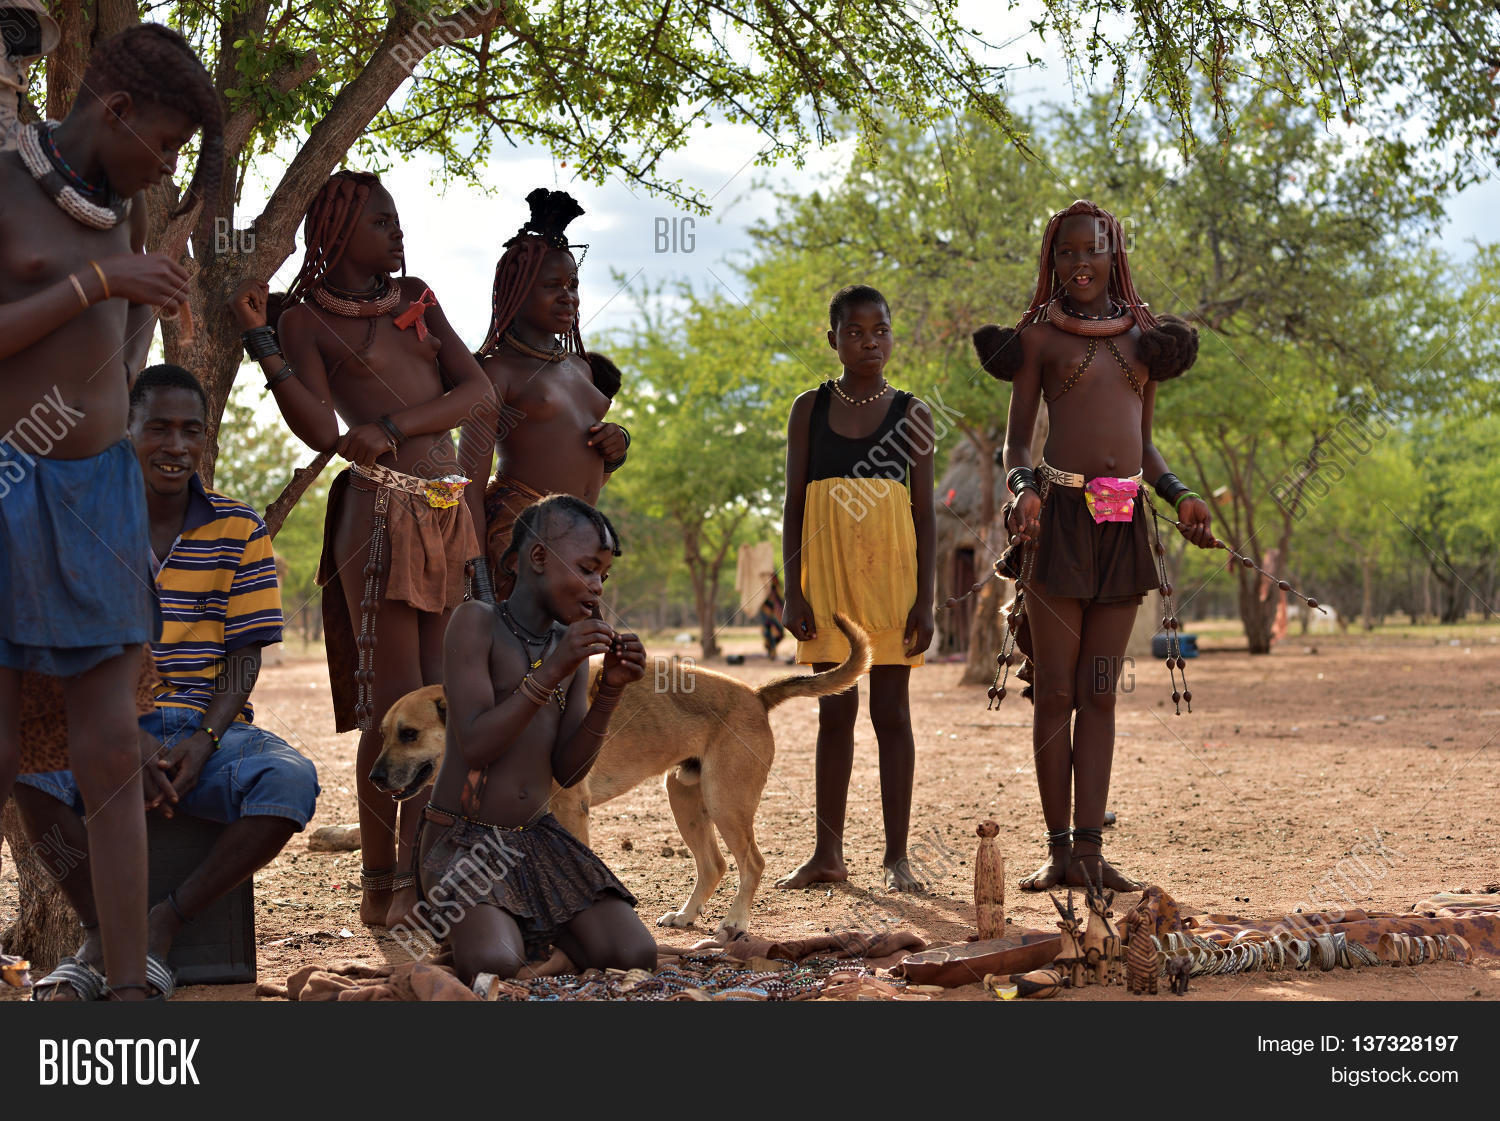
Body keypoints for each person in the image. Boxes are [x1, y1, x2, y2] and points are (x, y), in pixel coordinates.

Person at [0, 22, 222, 1000]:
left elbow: (118, 350)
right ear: (118, 109)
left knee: (111, 753)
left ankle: (130, 990)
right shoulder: (6, 176)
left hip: (95, 493)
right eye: (165, 144)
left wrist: (140, 297)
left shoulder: (122, 207)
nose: (165, 165)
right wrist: (101, 278)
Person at [230, 170, 493, 927]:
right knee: (394, 712)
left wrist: (398, 426)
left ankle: (425, 877)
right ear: (339, 232)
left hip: (445, 513)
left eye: (399, 220)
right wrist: (263, 341)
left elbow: (477, 393)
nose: (397, 235)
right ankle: (384, 888)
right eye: (382, 222)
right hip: (378, 516)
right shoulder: (309, 321)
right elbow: (321, 430)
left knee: (442, 707)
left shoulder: (417, 295)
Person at [16, 366, 320, 1000]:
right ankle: (103, 932)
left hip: (205, 732)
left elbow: (244, 657)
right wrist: (125, 739)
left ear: (206, 440)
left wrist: (205, 739)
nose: (175, 446)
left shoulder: (241, 529)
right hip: (104, 724)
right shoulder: (81, 524)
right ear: (126, 430)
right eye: (157, 427)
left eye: (191, 431)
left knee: (289, 782)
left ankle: (164, 922)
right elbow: (61, 656)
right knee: (28, 775)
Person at [972, 199, 1213, 893]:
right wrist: (1022, 490)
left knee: (1100, 693)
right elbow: (1018, 442)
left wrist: (1180, 495)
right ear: (1053, 259)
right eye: (1067, 251)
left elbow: (1143, 441)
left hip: (1122, 521)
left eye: (1094, 250)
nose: (1081, 262)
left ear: (1116, 254)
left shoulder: (1146, 341)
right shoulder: (1041, 339)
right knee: (1055, 692)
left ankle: (1089, 852)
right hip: (1057, 521)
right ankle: (1055, 852)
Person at [417, 495, 655, 982]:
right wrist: (553, 670)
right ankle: (504, 928)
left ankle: (528, 928)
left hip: (537, 839)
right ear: (539, 557)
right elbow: (479, 745)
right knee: (495, 966)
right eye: (588, 569)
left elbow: (567, 771)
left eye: (603, 577)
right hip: (464, 840)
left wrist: (609, 690)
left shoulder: (562, 649)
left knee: (633, 953)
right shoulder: (477, 622)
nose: (596, 587)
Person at [777, 285, 937, 893]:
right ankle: (827, 854)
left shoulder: (913, 413)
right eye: (855, 331)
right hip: (828, 581)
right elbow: (794, 505)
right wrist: (792, 590)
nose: (870, 341)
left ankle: (897, 857)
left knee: (892, 713)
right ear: (833, 339)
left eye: (881, 330)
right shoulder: (808, 409)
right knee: (834, 714)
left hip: (893, 581)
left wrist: (926, 599)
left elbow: (925, 514)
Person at [460, 188, 631, 599]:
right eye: (552, 285)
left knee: (573, 652)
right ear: (516, 293)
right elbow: (469, 483)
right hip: (522, 530)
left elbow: (587, 457)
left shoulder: (578, 366)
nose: (568, 295)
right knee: (527, 654)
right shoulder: (496, 370)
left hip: (580, 530)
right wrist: (478, 567)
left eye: (572, 284)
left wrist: (619, 444)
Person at [760, 573, 786, 660]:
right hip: (768, 616)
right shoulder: (763, 591)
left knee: (780, 633)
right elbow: (763, 606)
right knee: (768, 634)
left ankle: (772, 651)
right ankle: (772, 652)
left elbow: (781, 599)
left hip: (776, 615)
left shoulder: (776, 591)